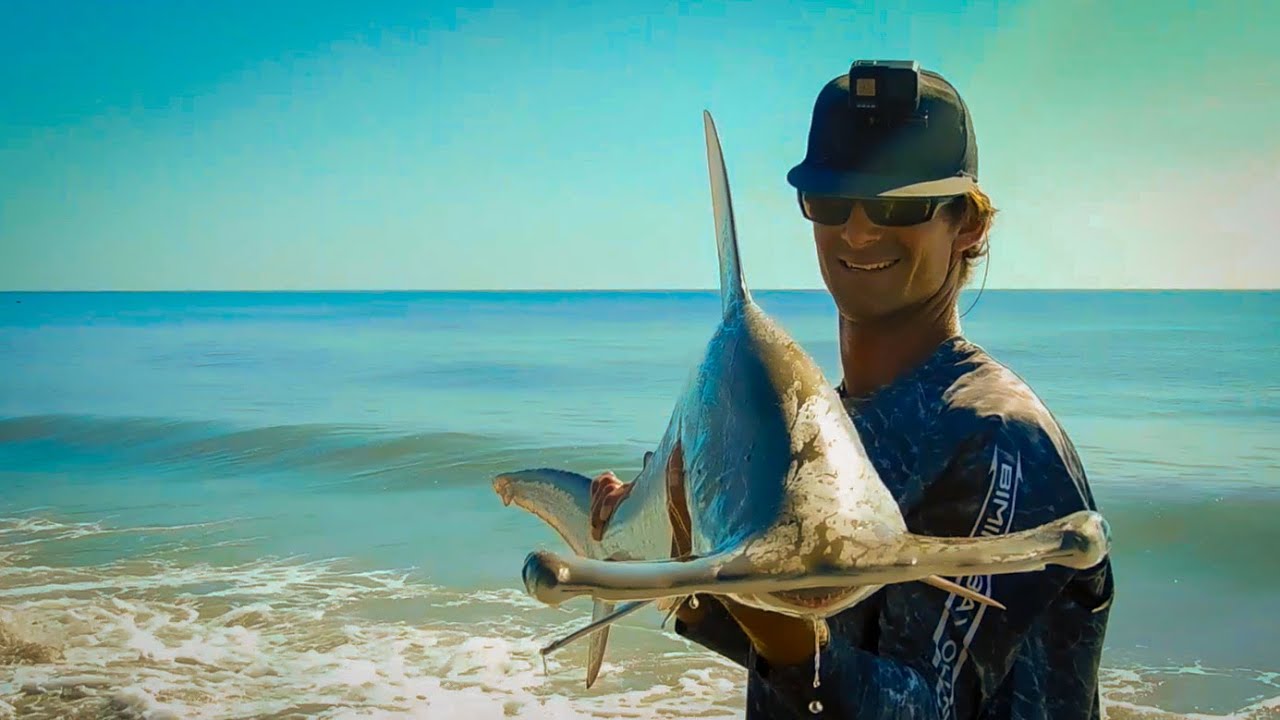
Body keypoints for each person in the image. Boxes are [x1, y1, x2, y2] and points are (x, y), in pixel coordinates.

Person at [590, 60, 1115, 719]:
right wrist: (688, 574)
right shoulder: (827, 427)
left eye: (899, 204)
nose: (860, 231)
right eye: (833, 202)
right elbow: (822, 652)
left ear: (970, 224)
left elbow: (924, 705)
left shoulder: (998, 440)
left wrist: (769, 610)